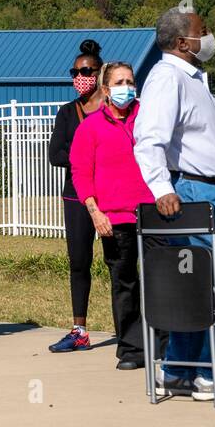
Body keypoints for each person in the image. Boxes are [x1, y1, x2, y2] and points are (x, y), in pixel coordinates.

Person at [135, 7, 215, 400]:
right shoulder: (167, 78)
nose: (208, 37)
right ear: (182, 43)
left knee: (196, 285)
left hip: (208, 190)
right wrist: (162, 188)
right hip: (193, 192)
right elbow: (149, 139)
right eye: (203, 31)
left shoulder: (191, 78)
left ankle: (179, 370)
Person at [69, 61, 155, 370]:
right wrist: (95, 212)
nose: (127, 87)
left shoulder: (148, 118)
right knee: (125, 283)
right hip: (115, 219)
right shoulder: (90, 127)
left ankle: (164, 342)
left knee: (160, 279)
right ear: (106, 90)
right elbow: (81, 174)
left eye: (130, 81)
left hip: (154, 212)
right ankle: (132, 348)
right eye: (120, 82)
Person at [46, 37, 105, 353]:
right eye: (74, 72)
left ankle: (130, 329)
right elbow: (55, 154)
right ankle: (79, 329)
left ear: (99, 72)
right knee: (79, 262)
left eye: (86, 71)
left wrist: (82, 152)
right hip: (77, 194)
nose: (79, 77)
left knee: (119, 261)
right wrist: (88, 154)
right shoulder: (67, 113)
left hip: (112, 194)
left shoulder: (112, 109)